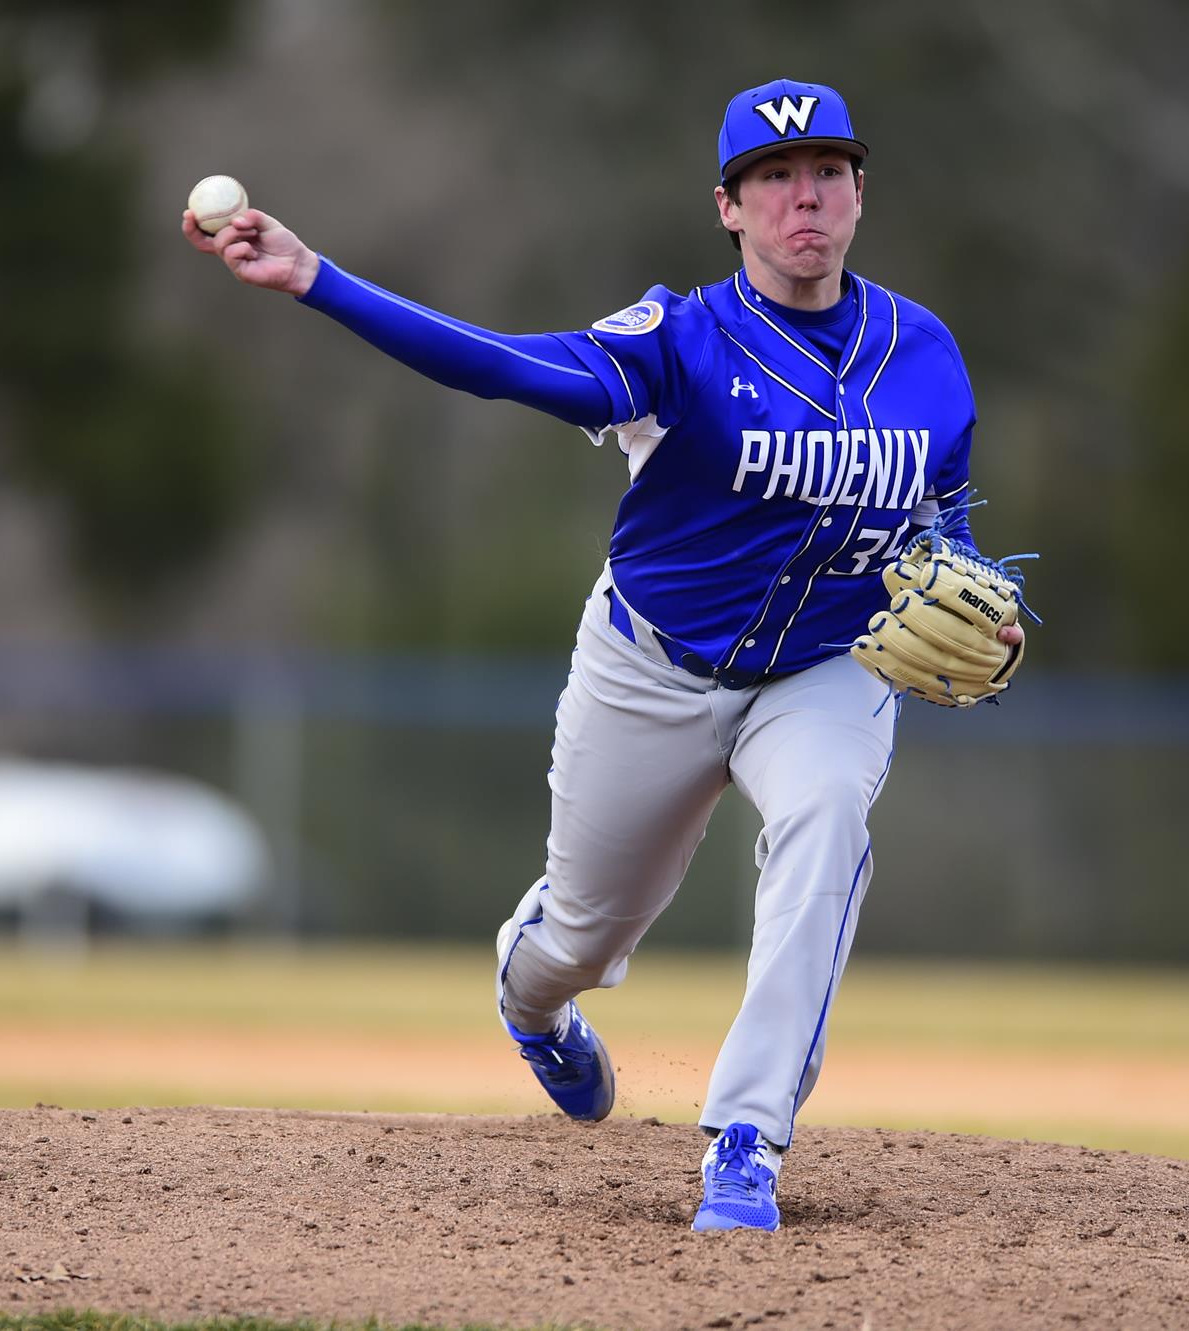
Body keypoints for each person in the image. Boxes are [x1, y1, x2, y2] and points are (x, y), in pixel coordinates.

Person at [184, 76, 1022, 1234]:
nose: (803, 198)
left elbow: (946, 520)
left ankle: (744, 1140)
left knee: (827, 822)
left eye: (824, 172)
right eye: (772, 179)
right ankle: (534, 1007)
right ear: (728, 209)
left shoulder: (923, 352)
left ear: (858, 189)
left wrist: (989, 596)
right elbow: (502, 365)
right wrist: (319, 280)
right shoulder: (678, 342)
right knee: (578, 935)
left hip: (826, 668)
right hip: (651, 667)